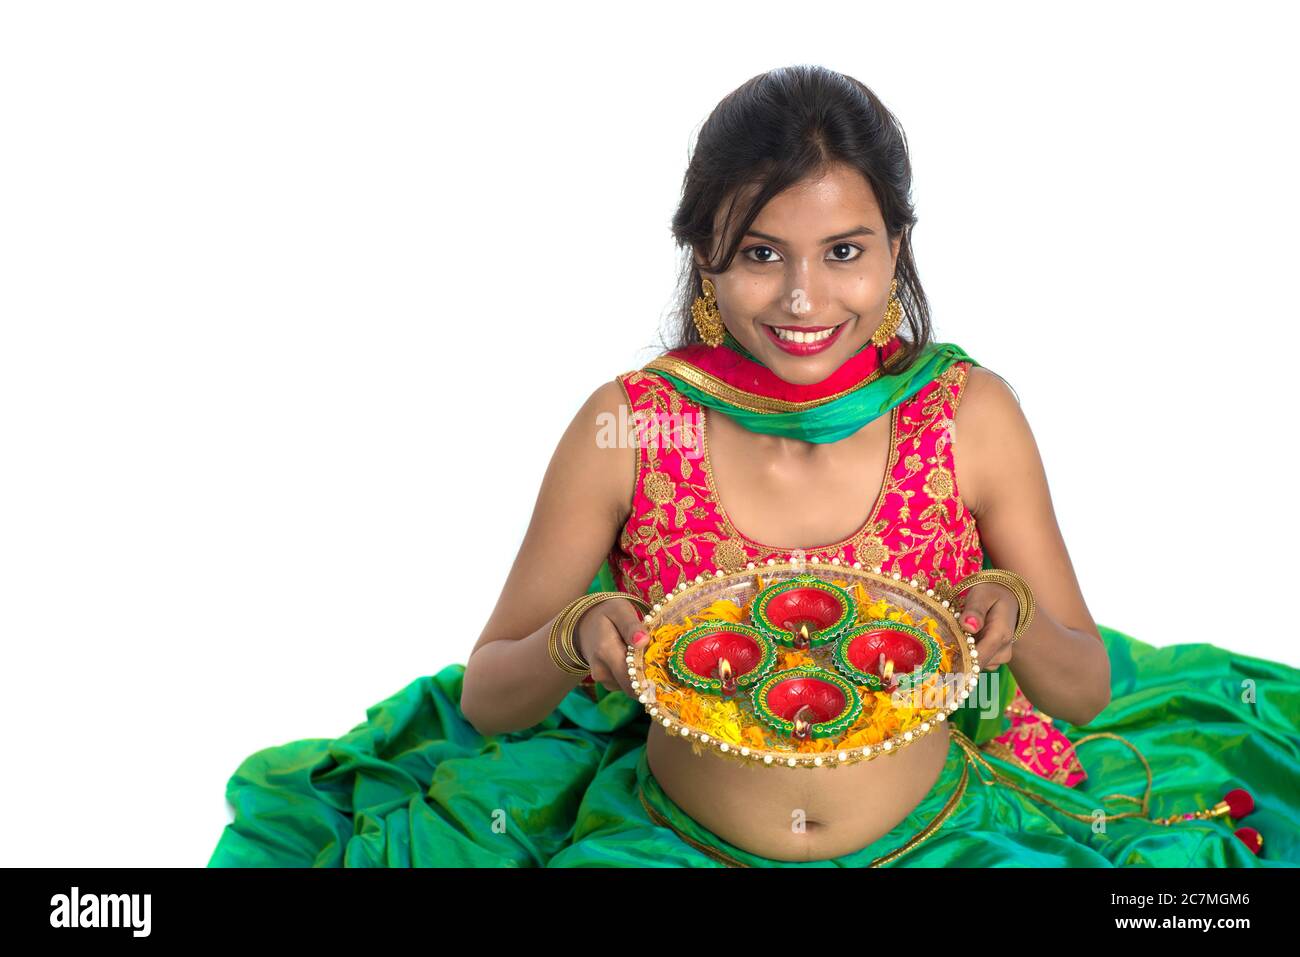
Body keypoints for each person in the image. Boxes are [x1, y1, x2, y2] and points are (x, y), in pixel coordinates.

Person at [208, 65, 1300, 868]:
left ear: (895, 251)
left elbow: (1084, 686)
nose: (801, 301)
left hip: (954, 837)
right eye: (759, 254)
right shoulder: (638, 427)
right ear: (705, 261)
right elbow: (491, 697)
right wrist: (573, 638)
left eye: (844, 252)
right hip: (661, 841)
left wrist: (1008, 608)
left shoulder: (967, 414)